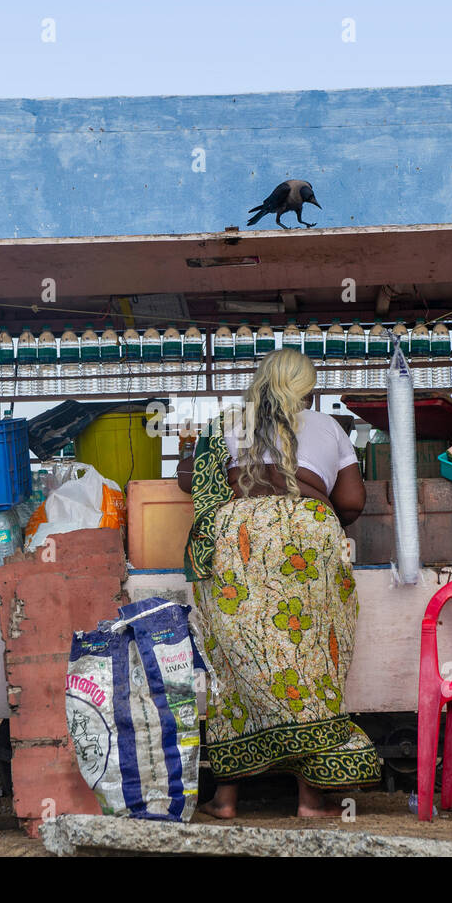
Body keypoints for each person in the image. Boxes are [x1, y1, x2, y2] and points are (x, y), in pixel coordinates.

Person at [178, 348, 381, 818]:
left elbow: (189, 481)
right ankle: (311, 800)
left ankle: (225, 800)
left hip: (233, 540)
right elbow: (351, 503)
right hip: (305, 538)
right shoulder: (326, 426)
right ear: (308, 389)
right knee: (313, 658)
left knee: (233, 665)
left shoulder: (226, 423)